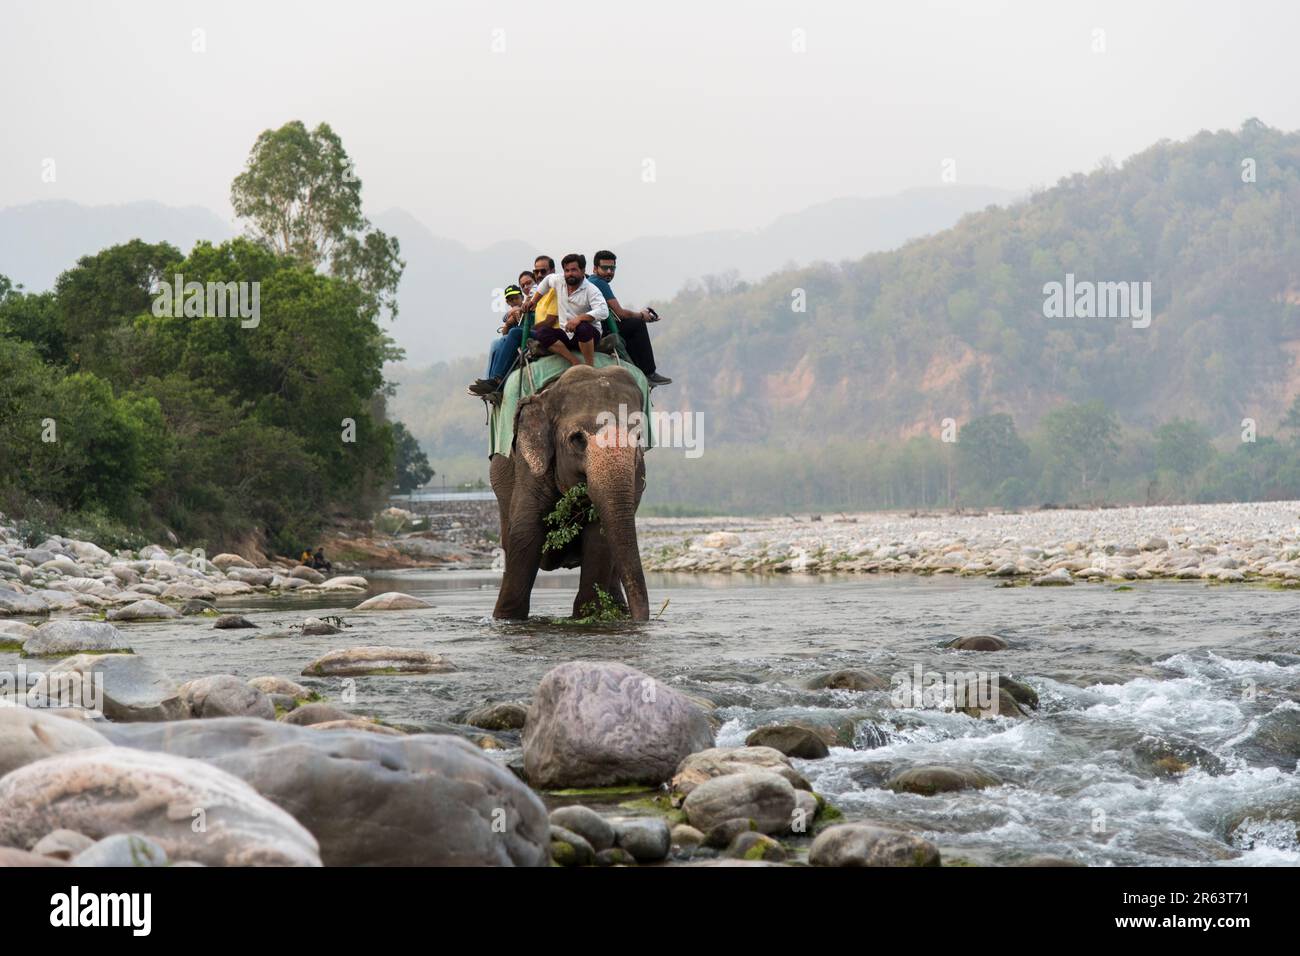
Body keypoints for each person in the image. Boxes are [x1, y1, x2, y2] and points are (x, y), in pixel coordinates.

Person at [587, 250, 670, 385]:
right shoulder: (600, 282)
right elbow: (620, 313)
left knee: (628, 325)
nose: (609, 272)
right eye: (605, 268)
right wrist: (642, 316)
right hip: (599, 328)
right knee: (637, 324)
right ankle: (649, 372)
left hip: (597, 324)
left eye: (612, 268)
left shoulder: (591, 280)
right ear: (595, 268)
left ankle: (635, 366)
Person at [513, 253, 607, 366]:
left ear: (582, 271)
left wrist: (579, 319)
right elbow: (546, 281)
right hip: (566, 333)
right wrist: (533, 301)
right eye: (567, 270)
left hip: (587, 335)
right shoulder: (559, 280)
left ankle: (589, 366)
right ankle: (574, 361)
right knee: (542, 332)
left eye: (574, 270)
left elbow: (603, 311)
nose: (570, 274)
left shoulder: (591, 290)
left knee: (583, 327)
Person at [468, 284, 527, 396]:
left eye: (516, 298)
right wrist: (509, 320)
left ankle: (496, 380)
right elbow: (505, 322)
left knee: (504, 339)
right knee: (495, 343)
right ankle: (489, 379)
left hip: (521, 336)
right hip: (511, 337)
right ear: (507, 302)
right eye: (511, 299)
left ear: (522, 298)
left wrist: (516, 312)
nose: (514, 301)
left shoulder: (525, 307)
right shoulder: (510, 313)